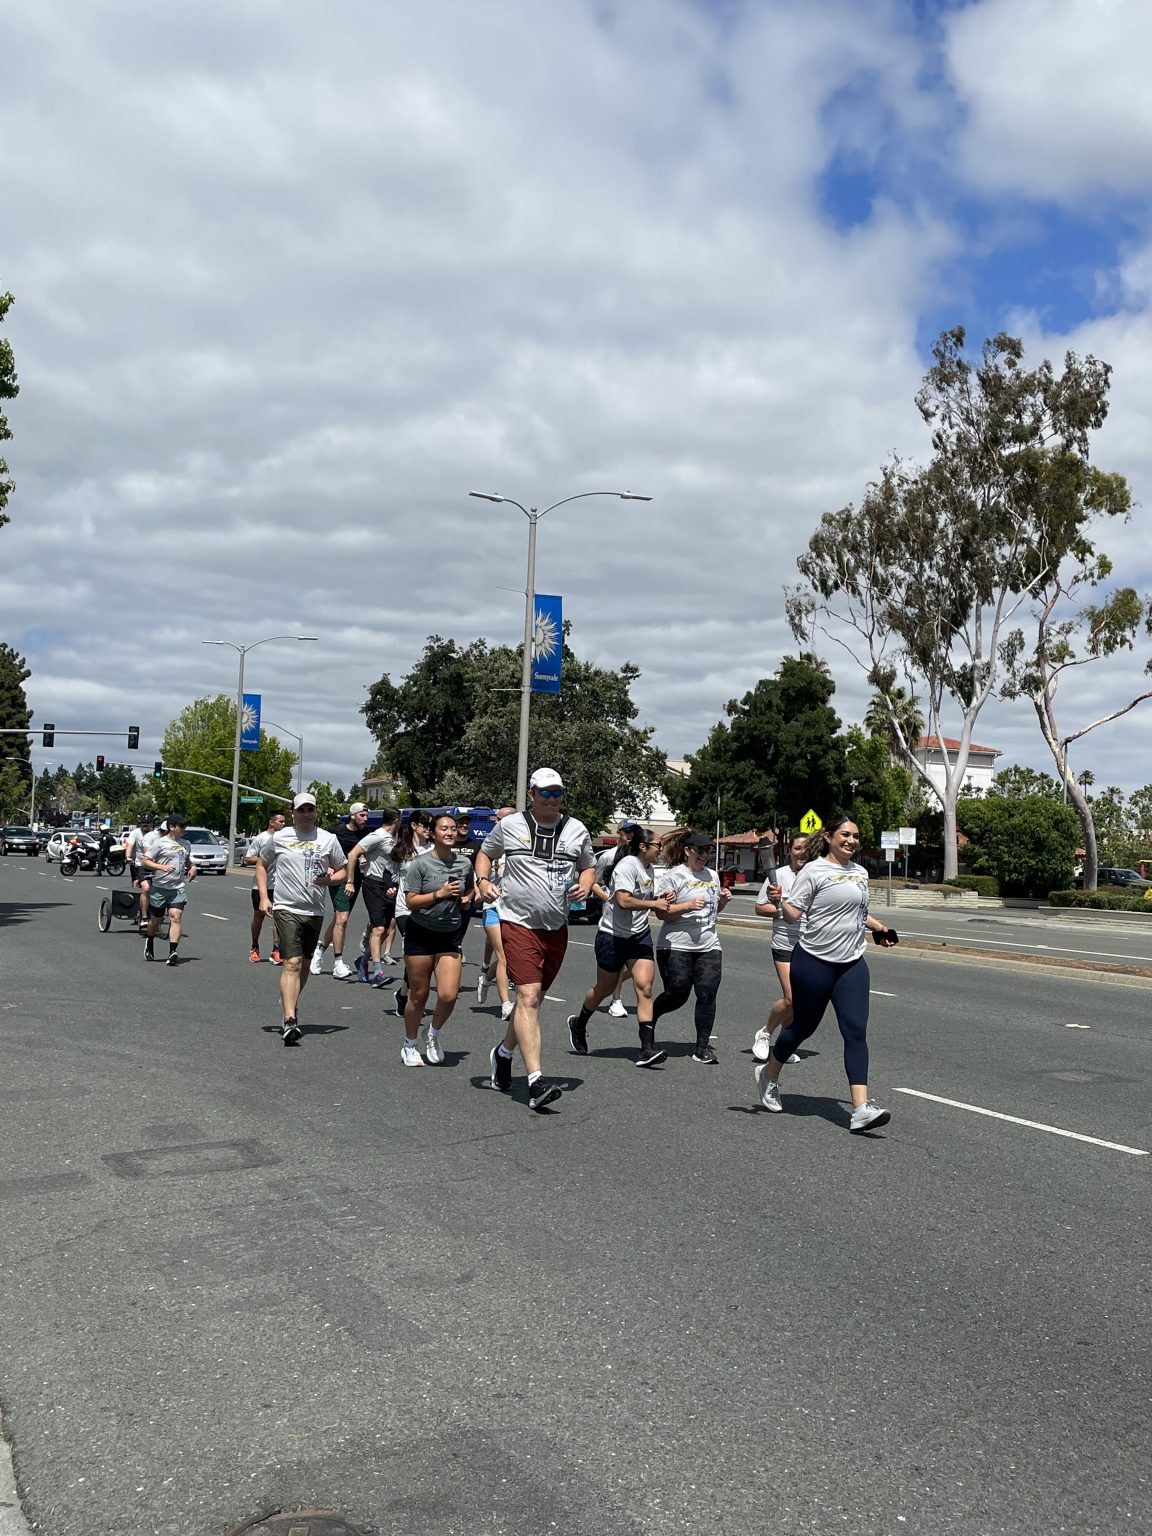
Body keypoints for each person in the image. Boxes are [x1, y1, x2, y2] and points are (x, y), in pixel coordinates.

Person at [754, 815, 897, 1132]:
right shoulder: (813, 871)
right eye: (845, 834)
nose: (851, 840)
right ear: (830, 837)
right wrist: (779, 902)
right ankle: (769, 1073)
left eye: (855, 836)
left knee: (855, 1031)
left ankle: (860, 1109)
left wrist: (879, 928)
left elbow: (859, 912)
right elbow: (792, 915)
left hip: (852, 963)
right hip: (814, 962)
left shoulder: (860, 873)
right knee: (802, 1028)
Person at [475, 768, 595, 1111]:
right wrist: (483, 881)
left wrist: (585, 884)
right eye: (546, 793)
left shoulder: (576, 829)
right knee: (527, 997)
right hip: (517, 923)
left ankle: (503, 1053)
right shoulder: (511, 826)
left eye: (557, 792)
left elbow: (588, 865)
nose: (552, 799)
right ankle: (536, 1081)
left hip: (556, 927)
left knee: (533, 1000)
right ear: (532, 795)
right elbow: (485, 854)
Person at [567, 825, 670, 1066]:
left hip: (639, 936)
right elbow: (623, 901)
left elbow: (645, 899)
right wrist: (654, 904)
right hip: (612, 936)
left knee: (645, 987)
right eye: (658, 846)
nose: (661, 850)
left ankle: (646, 1049)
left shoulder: (649, 869)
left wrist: (662, 900)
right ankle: (579, 1022)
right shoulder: (627, 866)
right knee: (604, 989)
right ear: (643, 847)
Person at [256, 791, 348, 1045]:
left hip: (314, 909)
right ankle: (289, 1019)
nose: (306, 814)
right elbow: (261, 865)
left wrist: (331, 880)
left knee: (305, 964)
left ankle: (290, 999)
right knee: (292, 962)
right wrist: (264, 897)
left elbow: (343, 870)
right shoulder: (280, 837)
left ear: (315, 812)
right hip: (286, 907)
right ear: (293, 813)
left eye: (310, 809)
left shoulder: (328, 839)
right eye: (301, 810)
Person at [399, 813, 476, 1065]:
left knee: (448, 995)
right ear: (433, 833)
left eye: (453, 828)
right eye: (444, 829)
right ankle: (410, 1044)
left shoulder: (464, 863)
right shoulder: (420, 864)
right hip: (420, 932)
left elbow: (470, 888)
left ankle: (432, 1033)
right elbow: (411, 902)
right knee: (419, 995)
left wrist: (468, 898)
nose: (450, 832)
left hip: (450, 934)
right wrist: (439, 894)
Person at [650, 829, 732, 1065]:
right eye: (700, 850)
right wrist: (686, 906)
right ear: (687, 851)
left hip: (709, 944)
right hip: (676, 945)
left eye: (708, 851)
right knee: (677, 994)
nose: (704, 855)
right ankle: (649, 1019)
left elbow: (712, 911)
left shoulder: (712, 876)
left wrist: (722, 902)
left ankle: (702, 1047)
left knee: (708, 994)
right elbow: (661, 913)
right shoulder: (673, 877)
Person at [751, 833, 810, 1064]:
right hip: (785, 943)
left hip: (811, 945)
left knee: (801, 1001)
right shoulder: (779, 876)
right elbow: (759, 907)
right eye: (797, 848)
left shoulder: (817, 875)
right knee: (792, 997)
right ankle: (765, 1032)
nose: (802, 853)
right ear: (790, 851)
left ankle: (784, 1047)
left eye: (806, 849)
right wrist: (783, 910)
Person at [330, 807, 399, 984]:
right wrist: (350, 881)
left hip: (391, 885)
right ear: (396, 820)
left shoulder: (395, 837)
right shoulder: (377, 835)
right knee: (379, 928)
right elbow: (353, 854)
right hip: (374, 883)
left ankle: (363, 960)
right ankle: (378, 973)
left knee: (387, 928)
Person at [310, 801, 371, 978]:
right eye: (362, 815)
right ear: (352, 816)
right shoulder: (338, 832)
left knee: (340, 919)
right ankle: (338, 963)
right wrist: (329, 866)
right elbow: (325, 851)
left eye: (367, 815)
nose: (365, 818)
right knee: (342, 918)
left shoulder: (366, 834)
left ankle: (319, 952)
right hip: (340, 879)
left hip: (356, 880)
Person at [592, 820, 642, 1018]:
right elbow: (594, 882)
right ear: (619, 832)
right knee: (619, 964)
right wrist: (609, 898)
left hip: (637, 918)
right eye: (626, 831)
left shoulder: (640, 857)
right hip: (614, 918)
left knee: (639, 966)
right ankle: (616, 1000)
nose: (630, 835)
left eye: (634, 832)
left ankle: (615, 985)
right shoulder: (608, 856)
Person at [389, 811, 434, 1017]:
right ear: (414, 826)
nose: (428, 829)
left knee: (420, 956)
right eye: (425, 825)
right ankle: (413, 999)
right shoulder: (401, 850)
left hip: (427, 908)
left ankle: (403, 994)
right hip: (405, 908)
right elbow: (389, 873)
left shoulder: (434, 849)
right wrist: (389, 886)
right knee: (414, 950)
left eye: (431, 826)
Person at [138, 812, 196, 965]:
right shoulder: (160, 843)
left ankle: (172, 952)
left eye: (185, 826)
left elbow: (187, 860)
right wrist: (161, 867)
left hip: (178, 887)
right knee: (156, 920)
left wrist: (192, 867)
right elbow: (145, 861)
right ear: (171, 827)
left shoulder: (186, 844)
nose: (184, 829)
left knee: (175, 917)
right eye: (181, 826)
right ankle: (150, 940)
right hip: (160, 887)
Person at [476, 807, 515, 1021]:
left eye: (500, 819)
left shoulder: (522, 845)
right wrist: (480, 886)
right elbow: (480, 872)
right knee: (504, 957)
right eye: (496, 819)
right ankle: (506, 1004)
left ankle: (485, 978)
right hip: (493, 907)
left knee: (511, 957)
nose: (496, 823)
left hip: (516, 910)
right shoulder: (491, 846)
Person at [244, 810, 286, 964]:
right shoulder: (261, 838)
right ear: (271, 823)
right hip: (261, 886)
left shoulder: (285, 839)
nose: (283, 824)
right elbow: (248, 859)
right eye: (280, 821)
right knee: (259, 916)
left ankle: (276, 949)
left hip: (279, 885)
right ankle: (254, 946)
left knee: (279, 917)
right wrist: (265, 858)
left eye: (284, 822)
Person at [123, 817, 154, 928]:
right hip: (138, 864)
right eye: (143, 822)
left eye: (148, 822)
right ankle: (136, 910)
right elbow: (130, 845)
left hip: (154, 865)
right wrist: (128, 856)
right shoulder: (135, 833)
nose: (145, 824)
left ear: (151, 823)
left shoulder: (155, 834)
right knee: (137, 885)